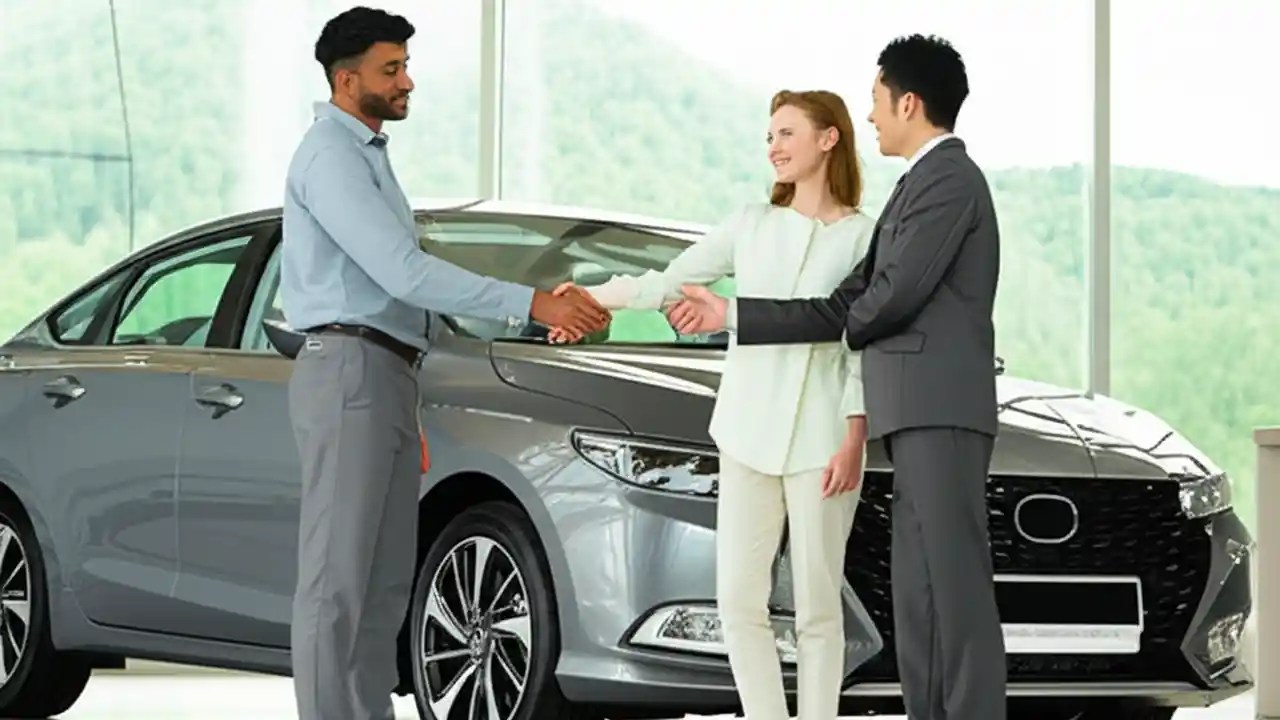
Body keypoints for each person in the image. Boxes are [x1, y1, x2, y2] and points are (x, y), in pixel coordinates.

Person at [279, 7, 610, 720]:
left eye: (405, 66)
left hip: (386, 376)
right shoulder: (330, 157)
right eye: (390, 69)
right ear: (346, 80)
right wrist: (534, 304)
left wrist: (519, 323)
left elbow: (408, 291)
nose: (407, 82)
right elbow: (404, 273)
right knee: (338, 581)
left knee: (383, 578)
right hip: (347, 371)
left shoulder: (366, 155)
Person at [666, 35, 1006, 720]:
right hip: (913, 411)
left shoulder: (948, 181)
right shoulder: (918, 183)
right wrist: (746, 314)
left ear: (910, 102)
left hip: (939, 408)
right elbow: (848, 300)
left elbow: (888, 294)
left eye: (879, 101)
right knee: (921, 592)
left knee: (954, 585)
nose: (873, 116)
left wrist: (840, 332)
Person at [552, 90, 875, 720]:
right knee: (738, 601)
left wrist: (855, 434)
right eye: (769, 137)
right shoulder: (749, 223)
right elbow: (664, 282)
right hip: (745, 432)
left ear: (828, 139)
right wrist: (589, 299)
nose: (774, 147)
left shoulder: (866, 237)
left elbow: (859, 341)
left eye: (786, 133)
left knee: (817, 607)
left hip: (823, 439)